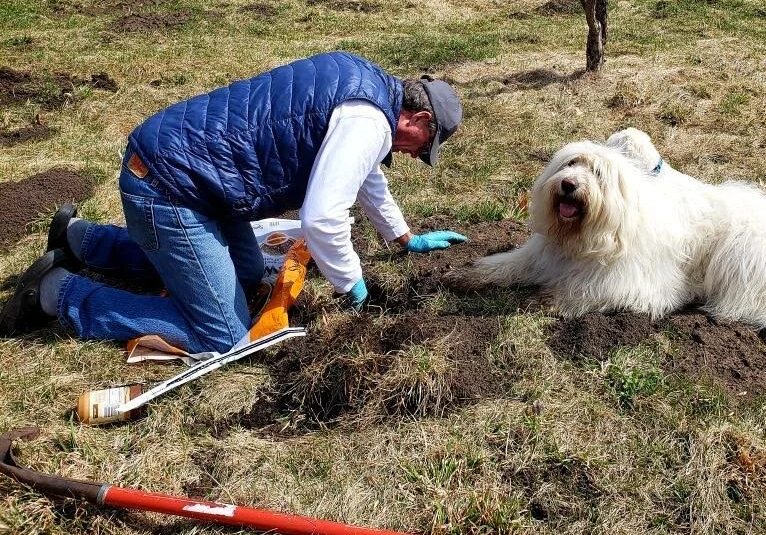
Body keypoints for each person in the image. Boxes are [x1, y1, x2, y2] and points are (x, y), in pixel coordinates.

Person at [0, 52, 467, 353]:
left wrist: (403, 237)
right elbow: (323, 218)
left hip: (195, 177)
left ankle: (80, 240)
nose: (415, 156)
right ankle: (56, 292)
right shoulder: (369, 123)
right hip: (170, 186)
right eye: (424, 147)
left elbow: (364, 174)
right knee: (223, 335)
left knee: (248, 274)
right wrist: (352, 285)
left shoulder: (368, 87)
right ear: (419, 119)